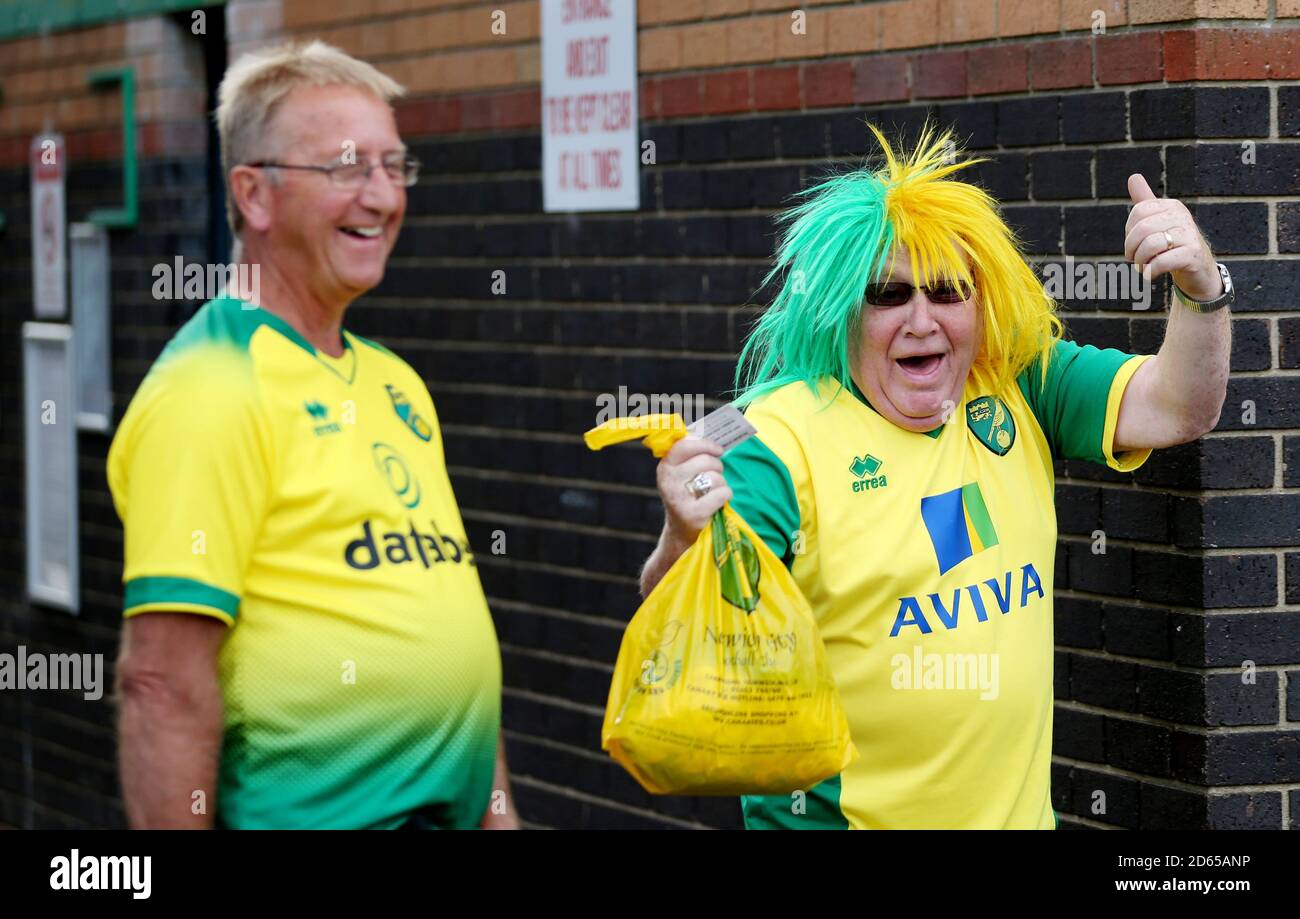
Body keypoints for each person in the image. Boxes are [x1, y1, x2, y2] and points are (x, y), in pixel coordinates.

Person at [638, 126, 1232, 829]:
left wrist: (1202, 286)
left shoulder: (1019, 382)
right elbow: (688, 621)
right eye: (889, 294)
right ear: (840, 309)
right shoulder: (770, 439)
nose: (922, 320)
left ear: (980, 303)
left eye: (949, 290)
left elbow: (1179, 406)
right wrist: (681, 536)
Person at [108, 41, 516, 829]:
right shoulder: (212, 388)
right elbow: (162, 684)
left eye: (395, 167)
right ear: (253, 194)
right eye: (346, 167)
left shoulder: (398, 382)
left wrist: (498, 815)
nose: (383, 196)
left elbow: (442, 619)